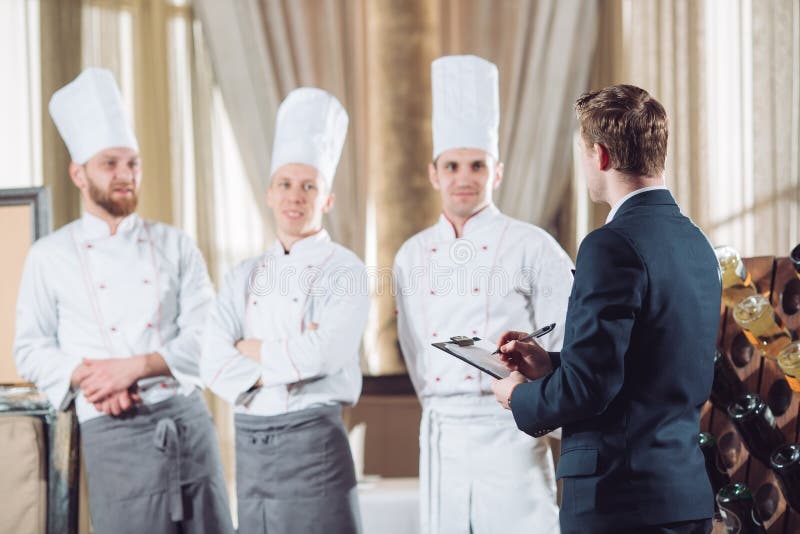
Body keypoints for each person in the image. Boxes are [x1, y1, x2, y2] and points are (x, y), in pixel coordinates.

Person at [492, 84, 721, 534]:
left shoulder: (609, 244)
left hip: (619, 499)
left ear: (599, 154)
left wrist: (518, 395)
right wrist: (550, 364)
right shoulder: (697, 242)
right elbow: (651, 363)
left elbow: (589, 389)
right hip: (683, 494)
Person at [14, 67, 234, 534]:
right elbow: (30, 349)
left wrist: (131, 369)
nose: (125, 176)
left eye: (132, 163)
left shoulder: (175, 244)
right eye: (109, 164)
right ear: (79, 173)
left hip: (187, 424)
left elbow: (208, 337)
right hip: (112, 434)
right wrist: (91, 377)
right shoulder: (48, 256)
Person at [393, 54, 574, 534]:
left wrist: (535, 405)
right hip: (441, 432)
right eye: (451, 165)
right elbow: (415, 349)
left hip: (509, 427)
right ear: (434, 173)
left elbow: (567, 342)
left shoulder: (533, 245)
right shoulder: (411, 255)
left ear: (497, 172)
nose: (463, 176)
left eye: (477, 164)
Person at [201, 87, 368, 534]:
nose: (296, 196)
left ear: (326, 199)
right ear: (270, 194)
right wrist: (290, 352)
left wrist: (250, 348)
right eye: (285, 185)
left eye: (309, 186)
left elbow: (325, 355)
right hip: (251, 447)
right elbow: (210, 362)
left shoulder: (345, 269)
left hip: (313, 443)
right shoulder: (243, 275)